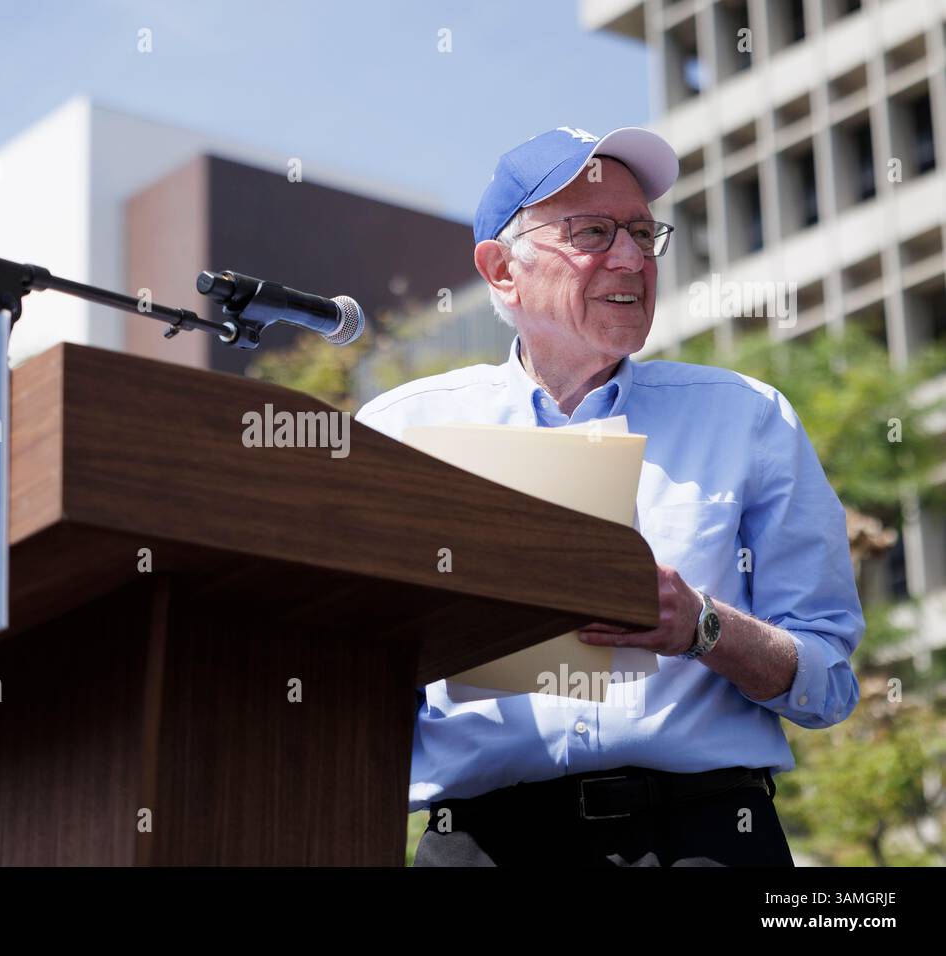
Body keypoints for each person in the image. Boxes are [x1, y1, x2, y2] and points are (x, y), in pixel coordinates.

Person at [355, 126, 865, 867]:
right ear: (501, 270)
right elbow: (351, 672)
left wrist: (704, 628)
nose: (630, 257)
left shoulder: (747, 416)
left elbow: (830, 683)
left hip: (702, 838)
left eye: (640, 231)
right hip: (479, 848)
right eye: (592, 231)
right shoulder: (404, 431)